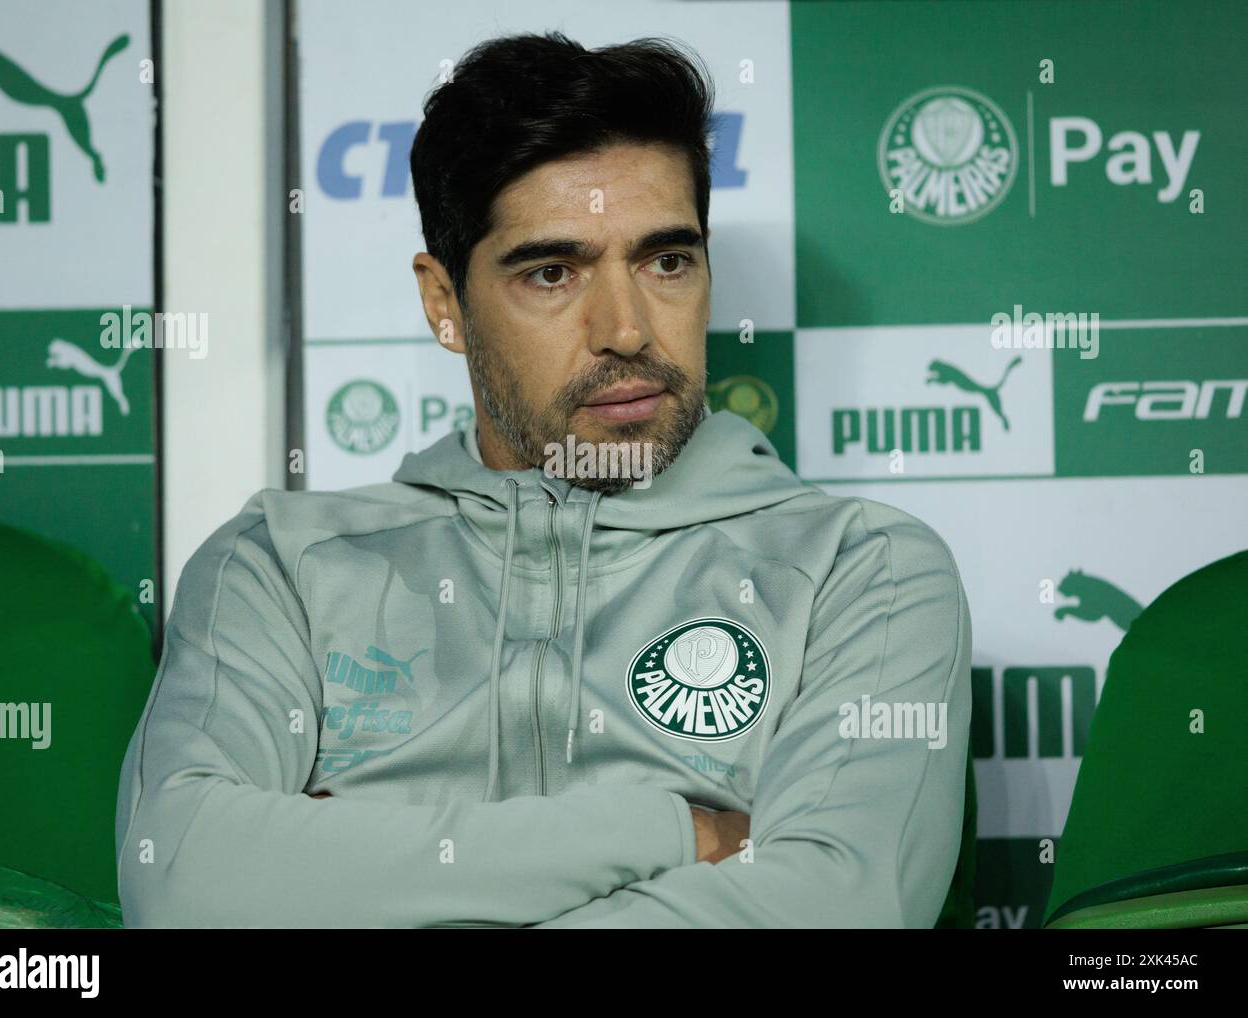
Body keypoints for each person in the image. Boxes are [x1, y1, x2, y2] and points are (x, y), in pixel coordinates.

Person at [115, 30, 971, 928]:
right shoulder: (282, 565)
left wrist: (342, 871)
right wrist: (675, 832)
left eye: (666, 260)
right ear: (445, 302)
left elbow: (836, 910)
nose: (628, 330)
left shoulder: (863, 569)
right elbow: (180, 882)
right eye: (554, 273)